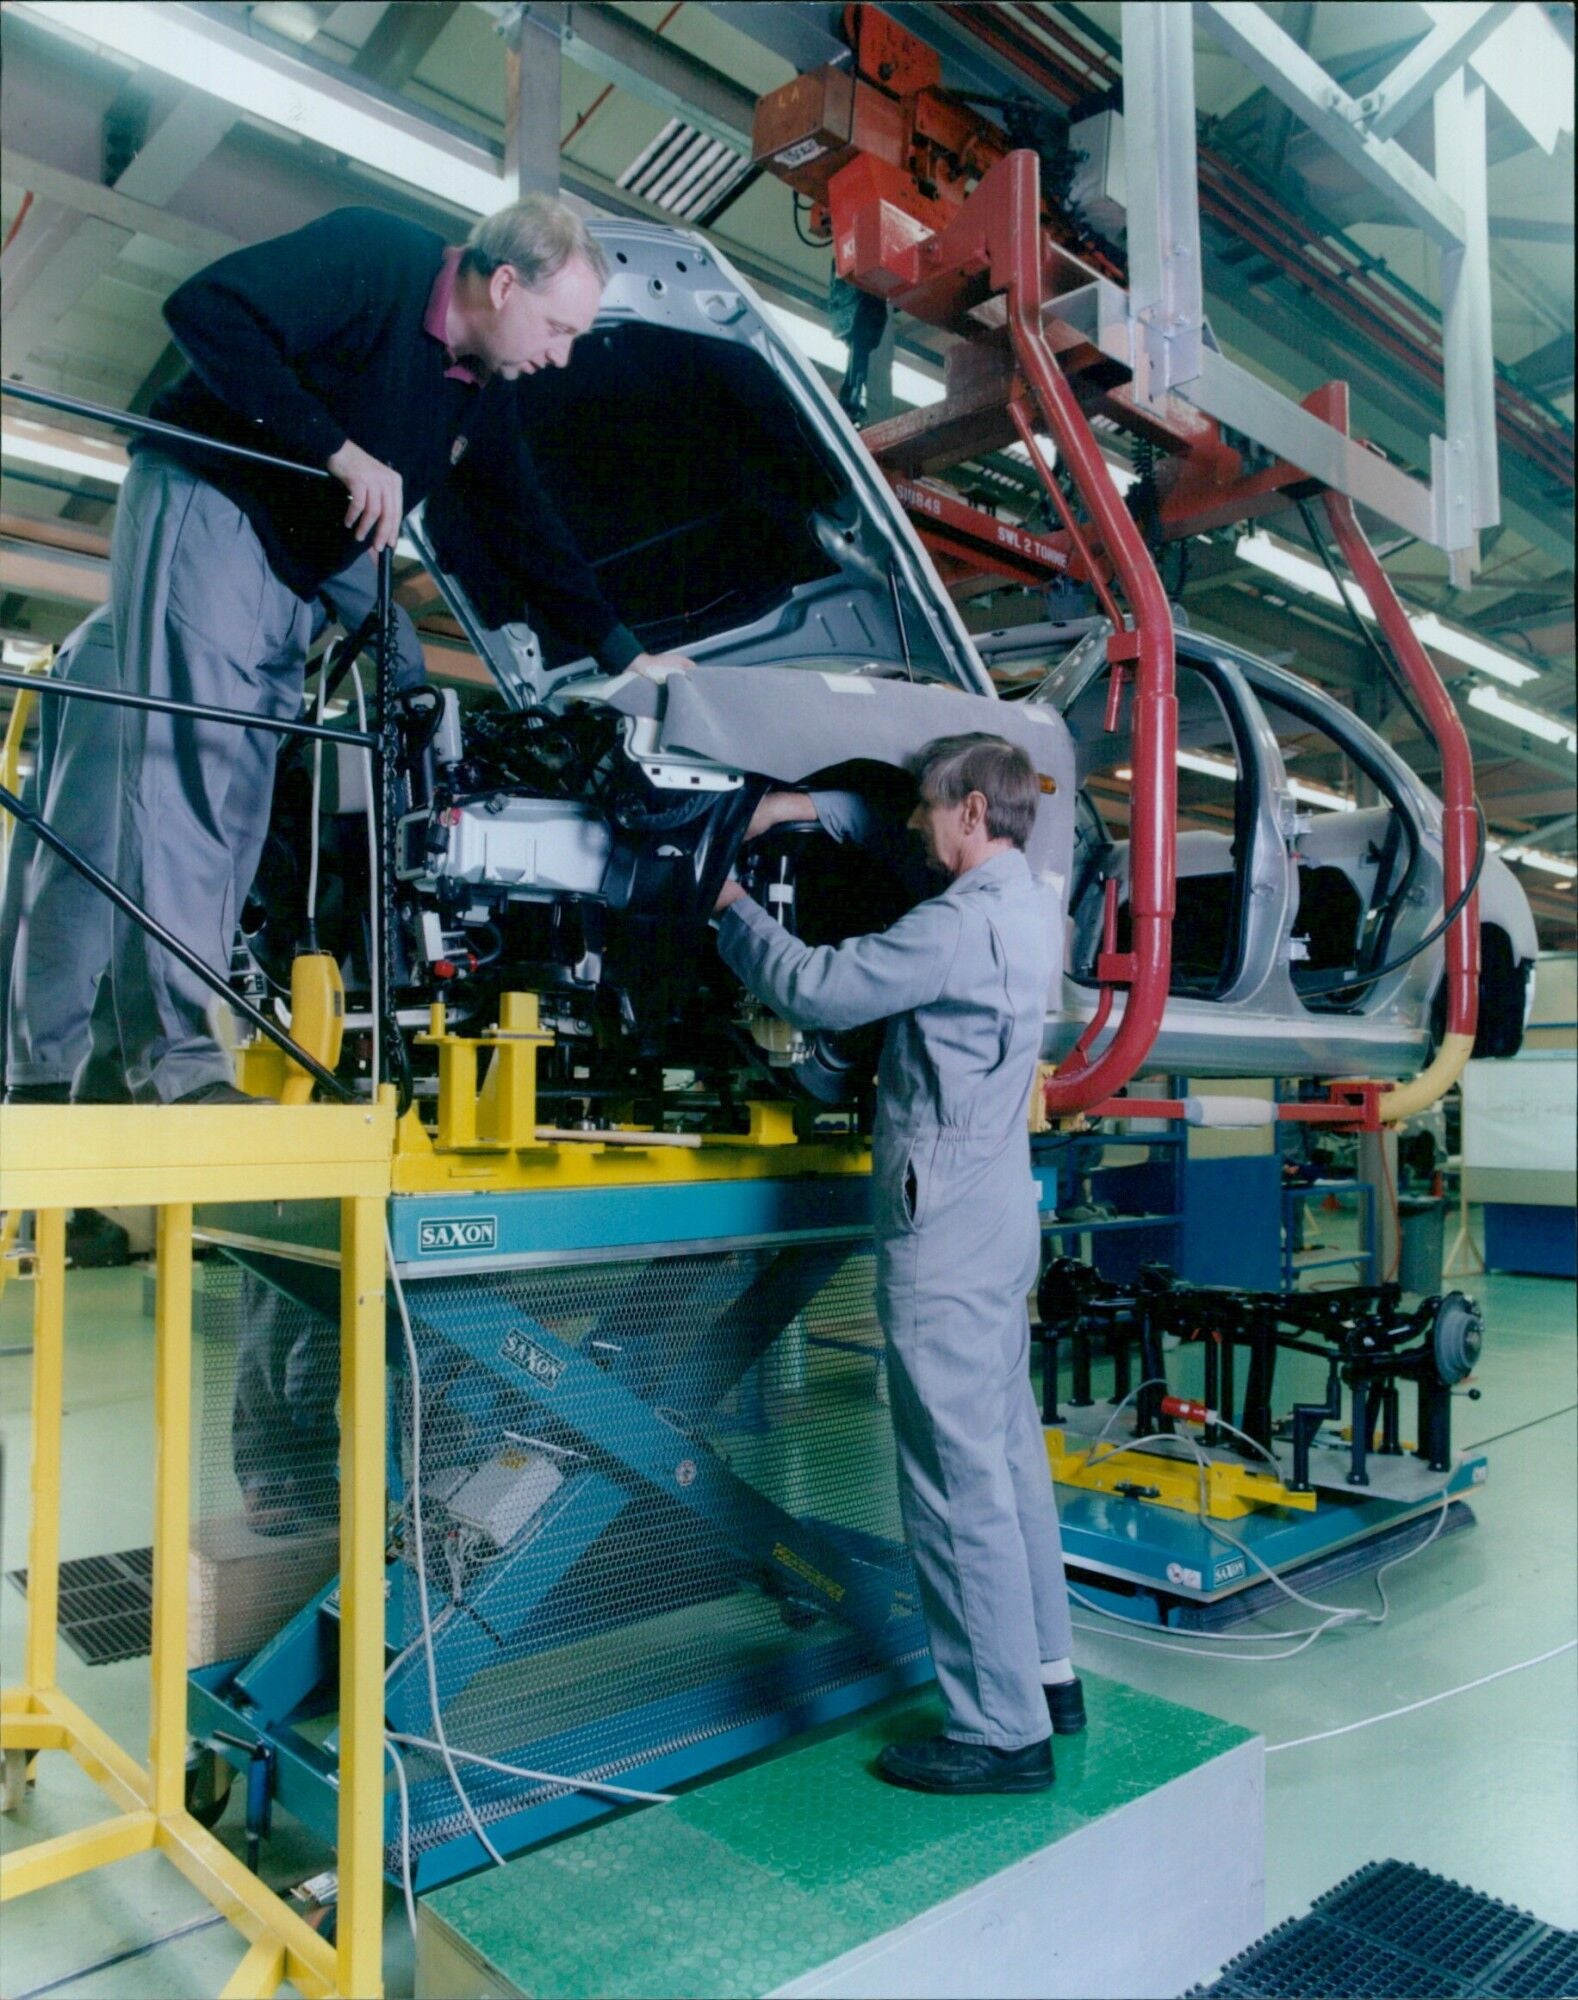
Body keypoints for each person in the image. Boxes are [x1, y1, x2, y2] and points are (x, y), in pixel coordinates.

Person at [4, 193, 690, 1107]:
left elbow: (523, 522)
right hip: (214, 503)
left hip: (296, 568)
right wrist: (338, 450)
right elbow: (204, 310)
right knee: (189, 790)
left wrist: (622, 654)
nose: (560, 355)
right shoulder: (377, 258)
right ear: (504, 284)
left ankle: (114, 1077)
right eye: (559, 328)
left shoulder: (479, 392)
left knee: (236, 812)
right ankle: (176, 1069)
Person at [714, 734, 1084, 1794]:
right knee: (1006, 1453)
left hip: (946, 1222)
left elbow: (818, 988)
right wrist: (798, 809)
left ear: (972, 812)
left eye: (927, 808)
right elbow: (893, 844)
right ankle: (1047, 1674)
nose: (915, 825)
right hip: (999, 1206)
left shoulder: (955, 925)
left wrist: (729, 905)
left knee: (953, 1479)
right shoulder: (1032, 905)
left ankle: (1000, 1731)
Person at [1, 564, 423, 1103]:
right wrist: (418, 701)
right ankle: (51, 1076)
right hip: (153, 653)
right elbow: (380, 611)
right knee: (91, 864)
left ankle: (96, 1070)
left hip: (150, 647)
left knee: (66, 858)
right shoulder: (346, 519)